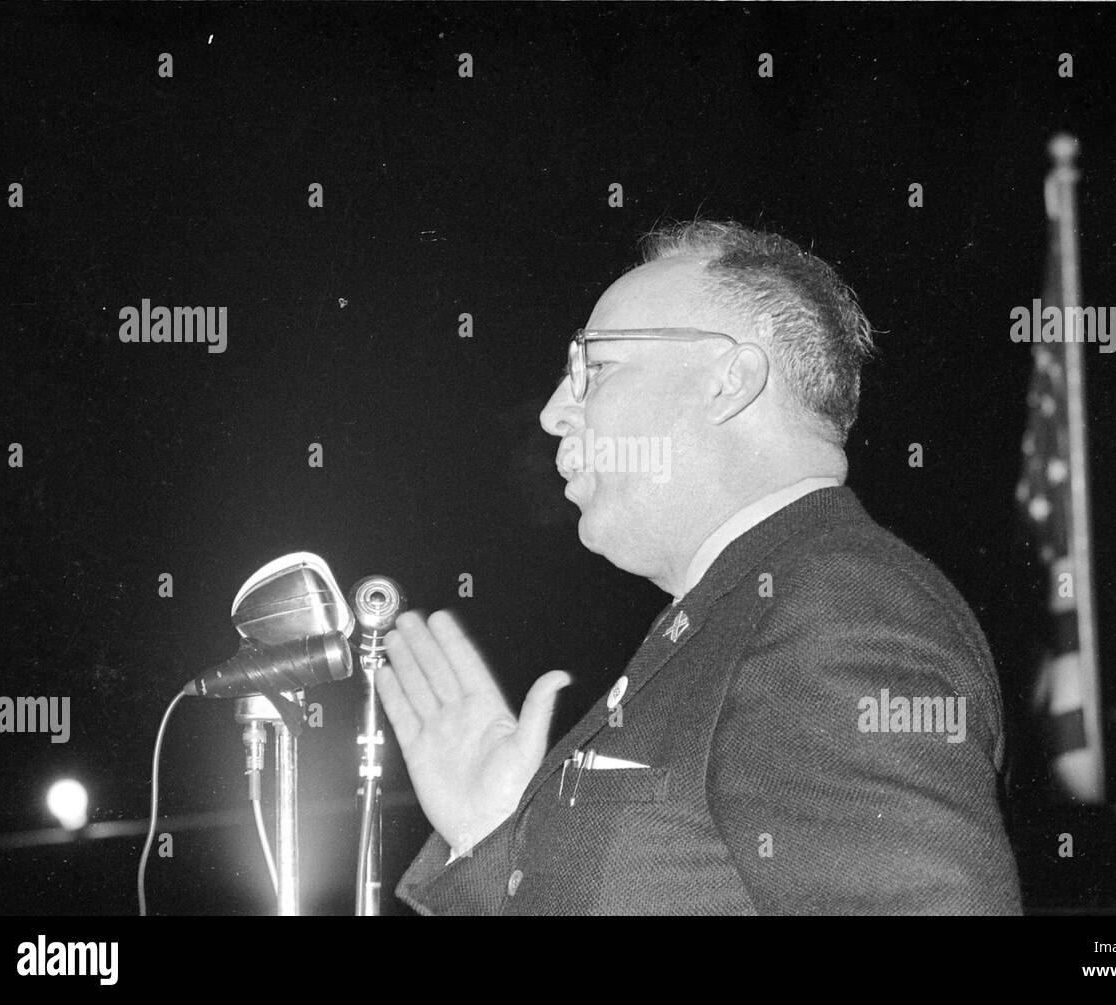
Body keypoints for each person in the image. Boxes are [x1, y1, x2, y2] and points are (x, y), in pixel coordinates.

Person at [377, 219, 1022, 914]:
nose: (555, 412)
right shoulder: (743, 610)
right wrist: (494, 837)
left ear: (728, 382)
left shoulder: (837, 609)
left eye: (595, 367)